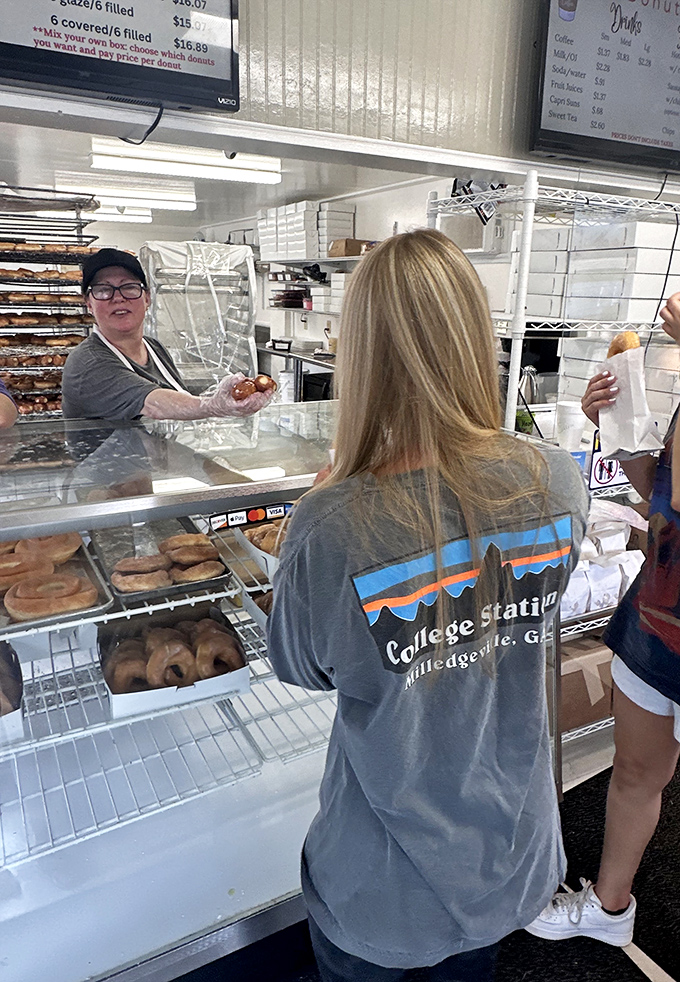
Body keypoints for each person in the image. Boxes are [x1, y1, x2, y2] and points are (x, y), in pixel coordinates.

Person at [266, 228, 588, 982]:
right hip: (506, 857)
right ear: (474, 336)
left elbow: (305, 669)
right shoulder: (554, 478)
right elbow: (529, 617)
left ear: (362, 351)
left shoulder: (332, 521)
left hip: (382, 883)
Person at [526, 296, 680, 948]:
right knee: (636, 771)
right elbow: (663, 500)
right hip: (657, 618)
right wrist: (614, 424)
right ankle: (609, 909)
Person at [62, 248, 271, 421]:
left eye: (129, 287)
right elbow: (154, 404)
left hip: (153, 467)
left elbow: (178, 403)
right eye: (103, 290)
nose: (118, 298)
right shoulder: (87, 363)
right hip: (104, 469)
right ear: (88, 303)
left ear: (147, 298)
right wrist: (214, 406)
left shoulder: (154, 348)